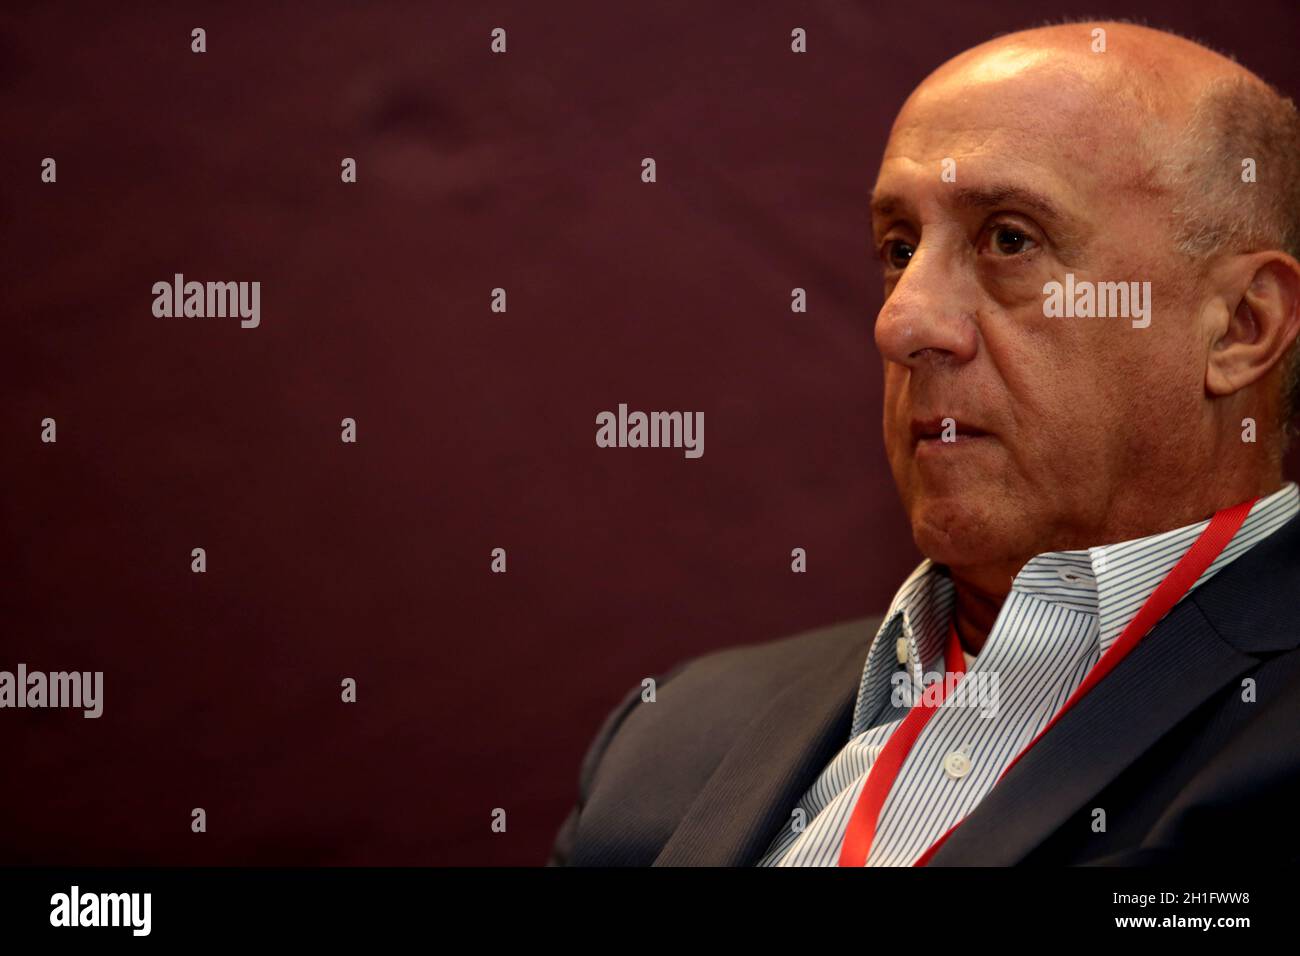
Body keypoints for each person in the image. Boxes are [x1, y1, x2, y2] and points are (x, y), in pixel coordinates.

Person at [547, 20, 1300, 866]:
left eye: (1010, 238)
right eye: (899, 249)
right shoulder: (671, 740)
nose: (900, 321)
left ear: (1240, 325)